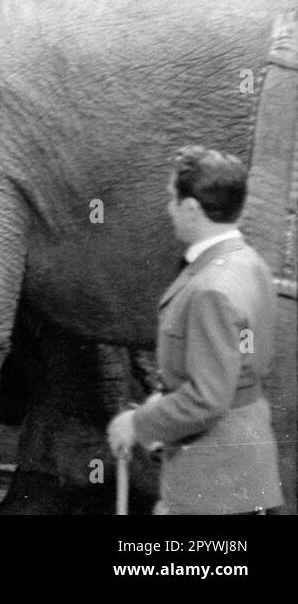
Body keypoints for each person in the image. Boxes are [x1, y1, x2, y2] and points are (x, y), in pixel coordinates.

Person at [108, 145, 284, 514]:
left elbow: (207, 399)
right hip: (244, 470)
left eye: (172, 199)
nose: (169, 209)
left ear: (191, 208)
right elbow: (231, 375)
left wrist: (138, 423)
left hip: (211, 478)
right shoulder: (250, 264)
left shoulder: (210, 289)